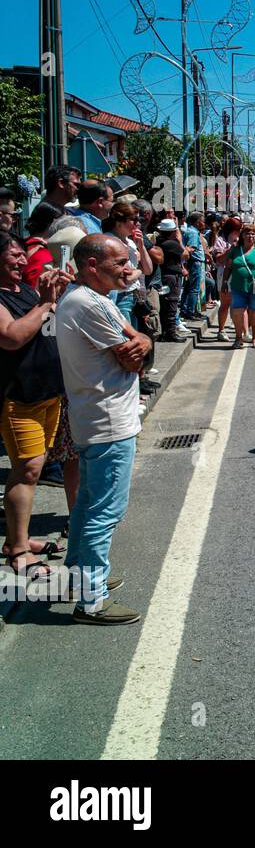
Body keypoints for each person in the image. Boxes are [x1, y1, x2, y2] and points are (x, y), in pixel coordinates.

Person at [56, 233, 152, 625]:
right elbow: (133, 359)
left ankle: (77, 577)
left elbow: (138, 341)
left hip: (97, 418)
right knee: (104, 511)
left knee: (86, 505)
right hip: (109, 421)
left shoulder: (93, 299)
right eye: (119, 263)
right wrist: (142, 342)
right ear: (92, 265)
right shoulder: (87, 304)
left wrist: (142, 339)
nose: (128, 269)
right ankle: (91, 599)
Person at [0, 234, 73, 580]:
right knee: (26, 470)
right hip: (20, 398)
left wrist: (56, 298)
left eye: (20, 256)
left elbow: (50, 326)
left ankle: (20, 537)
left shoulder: (25, 292)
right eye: (13, 256)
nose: (20, 262)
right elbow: (12, 336)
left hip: (47, 394)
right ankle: (17, 550)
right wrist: (45, 304)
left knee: (34, 466)